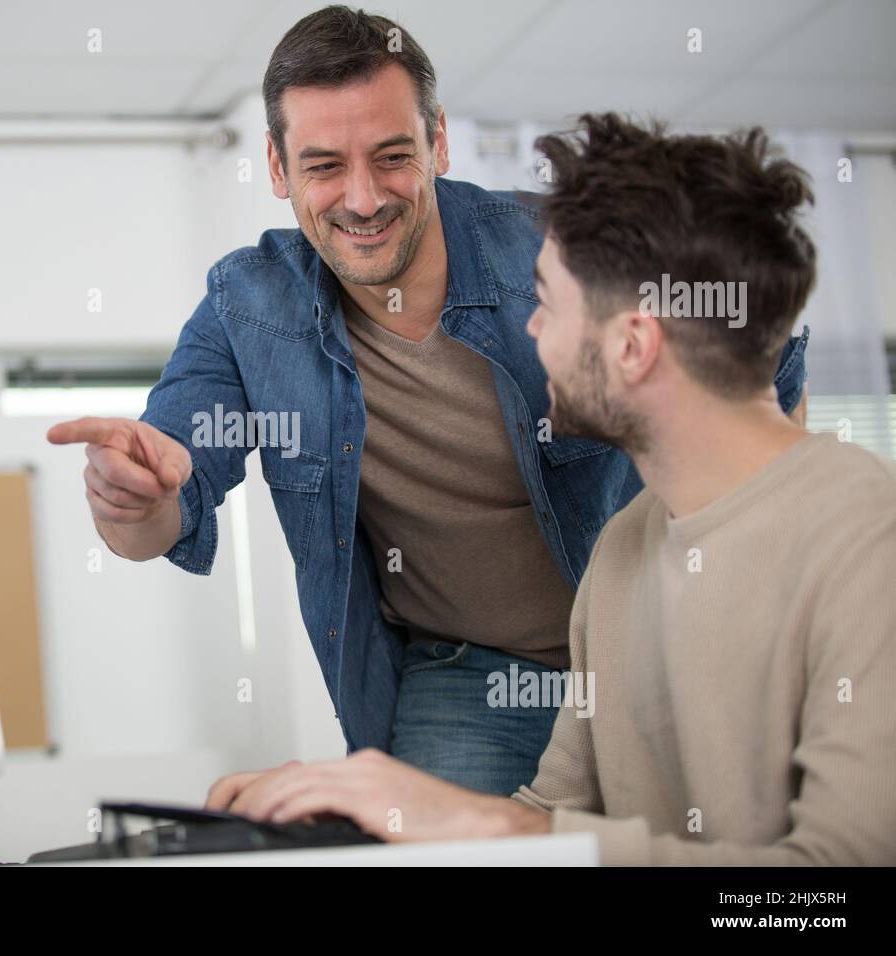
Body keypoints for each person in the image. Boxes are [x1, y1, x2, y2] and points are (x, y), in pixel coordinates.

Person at [47, 6, 807, 795]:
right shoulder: (248, 309)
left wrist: (767, 588)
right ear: (276, 168)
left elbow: (767, 362)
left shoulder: (563, 253)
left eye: (392, 155)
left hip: (661, 646)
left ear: (438, 141)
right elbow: (162, 503)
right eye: (323, 167)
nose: (365, 199)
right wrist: (132, 502)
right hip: (473, 675)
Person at [218, 113, 896, 865]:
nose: (532, 328)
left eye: (549, 302)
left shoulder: (865, 536)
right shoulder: (625, 550)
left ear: (632, 346)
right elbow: (553, 816)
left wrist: (496, 829)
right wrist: (359, 827)